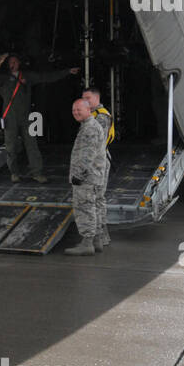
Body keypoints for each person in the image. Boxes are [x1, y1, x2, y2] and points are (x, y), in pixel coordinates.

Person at [0, 53, 79, 183]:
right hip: (10, 117)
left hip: (27, 116)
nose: (12, 64)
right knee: (10, 147)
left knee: (32, 146)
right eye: (10, 62)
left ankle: (37, 172)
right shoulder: (3, 78)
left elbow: (46, 77)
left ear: (19, 63)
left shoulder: (27, 76)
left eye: (14, 62)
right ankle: (14, 173)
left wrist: (67, 71)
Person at [64, 99, 106, 257]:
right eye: (73, 110)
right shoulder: (90, 126)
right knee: (92, 207)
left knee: (84, 208)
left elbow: (87, 155)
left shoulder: (89, 128)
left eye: (78, 110)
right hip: (92, 176)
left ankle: (87, 243)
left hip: (86, 177)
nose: (75, 112)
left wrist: (78, 175)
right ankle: (96, 241)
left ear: (88, 110)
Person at [81, 86, 113, 247]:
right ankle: (101, 237)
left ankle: (98, 237)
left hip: (97, 163)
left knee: (96, 199)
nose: (84, 101)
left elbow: (94, 145)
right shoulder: (92, 116)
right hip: (96, 162)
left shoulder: (100, 117)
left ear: (96, 98)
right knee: (97, 199)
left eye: (88, 98)